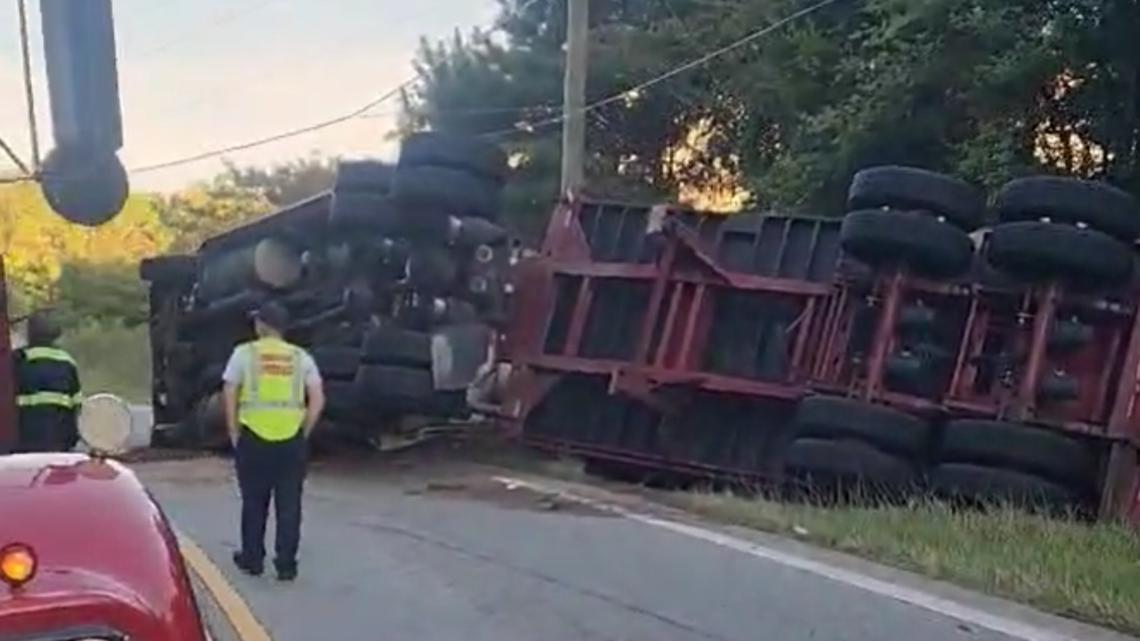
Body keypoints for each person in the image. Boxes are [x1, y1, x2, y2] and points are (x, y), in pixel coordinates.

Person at [222, 301, 325, 581]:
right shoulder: (300, 357)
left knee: (254, 501)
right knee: (289, 503)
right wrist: (304, 430)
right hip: (291, 438)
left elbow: (230, 392)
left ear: (262, 325)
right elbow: (317, 398)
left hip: (253, 436)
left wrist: (233, 431)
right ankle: (286, 564)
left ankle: (253, 558)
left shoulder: (244, 354)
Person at [14, 310, 82, 453]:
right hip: (60, 443)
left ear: (30, 333)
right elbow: (77, 406)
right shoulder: (67, 361)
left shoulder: (18, 359)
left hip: (23, 441)